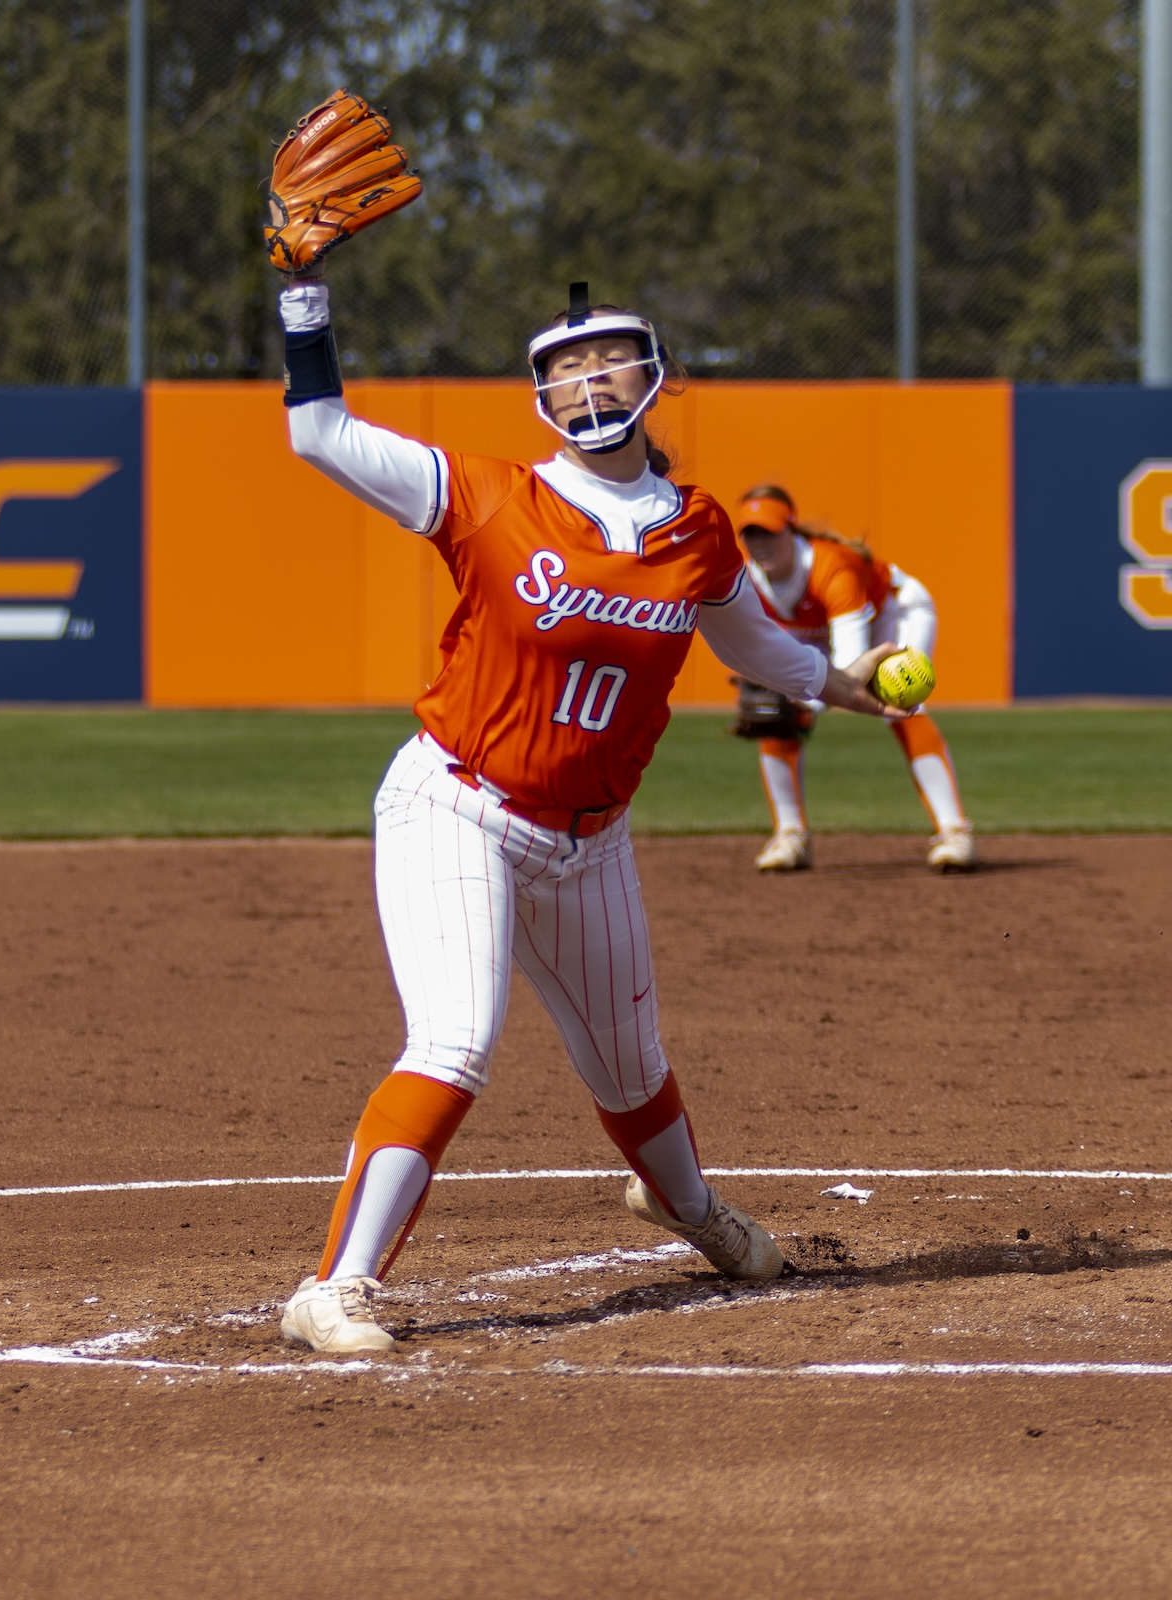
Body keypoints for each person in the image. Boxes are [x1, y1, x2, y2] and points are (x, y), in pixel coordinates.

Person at [272, 274, 910, 1353]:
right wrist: (305, 304)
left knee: (630, 1068)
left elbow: (756, 646)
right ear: (540, 396)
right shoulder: (483, 495)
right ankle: (334, 1287)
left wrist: (849, 682)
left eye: (604, 356)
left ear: (652, 375)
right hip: (458, 804)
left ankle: (688, 1208)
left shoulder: (698, 530)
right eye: (562, 366)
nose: (584, 377)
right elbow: (320, 433)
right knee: (456, 1042)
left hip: (592, 838)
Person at [731, 485, 976, 872]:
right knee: (776, 714)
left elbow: (849, 669)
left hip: (891, 616)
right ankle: (790, 836)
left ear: (790, 530)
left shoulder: (831, 568)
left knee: (901, 703)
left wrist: (801, 700)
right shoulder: (746, 580)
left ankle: (954, 832)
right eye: (751, 533)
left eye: (769, 532)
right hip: (817, 633)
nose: (759, 542)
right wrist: (787, 697)